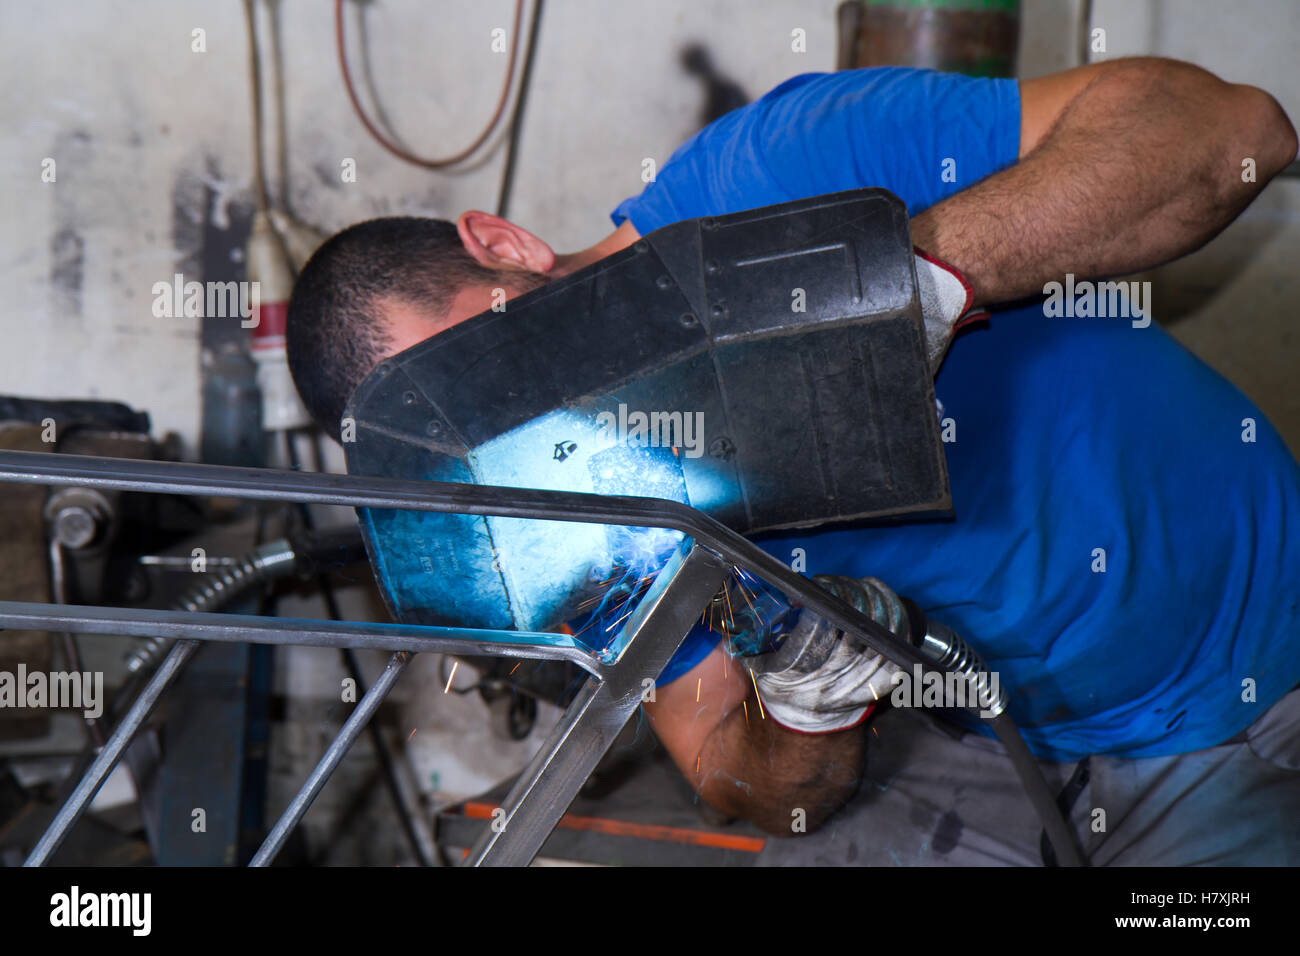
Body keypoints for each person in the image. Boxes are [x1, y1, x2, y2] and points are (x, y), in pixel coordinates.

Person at [287, 56, 1300, 864]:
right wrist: (805, 709)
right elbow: (732, 774)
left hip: (1249, 677)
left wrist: (908, 278)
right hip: (990, 736)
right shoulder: (586, 524)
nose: (521, 425)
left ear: (505, 246)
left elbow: (1234, 134)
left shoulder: (773, 172)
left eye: (484, 371)